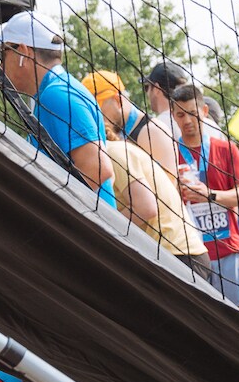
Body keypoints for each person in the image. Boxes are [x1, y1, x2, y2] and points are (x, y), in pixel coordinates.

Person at [0, 11, 144, 382]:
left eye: (2, 55)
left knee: (104, 376)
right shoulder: (56, 93)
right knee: (80, 377)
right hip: (81, 248)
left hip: (88, 250)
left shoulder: (58, 96)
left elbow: (96, 169)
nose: (0, 66)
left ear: (22, 53)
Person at [83, 71, 212, 282]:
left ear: (116, 99)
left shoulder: (147, 132)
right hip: (164, 250)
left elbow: (153, 203)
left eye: (97, 105)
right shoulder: (120, 142)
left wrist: (104, 228)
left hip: (176, 250)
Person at [169, 84, 239, 309]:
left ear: (204, 111)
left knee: (238, 318)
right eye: (180, 114)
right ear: (173, 116)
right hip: (190, 251)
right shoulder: (168, 152)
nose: (187, 120)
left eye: (193, 113)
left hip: (227, 246)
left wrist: (210, 195)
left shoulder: (226, 149)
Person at [83, 69, 183, 192]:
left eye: (99, 110)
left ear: (118, 101)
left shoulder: (153, 132)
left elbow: (167, 194)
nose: (96, 117)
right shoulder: (112, 132)